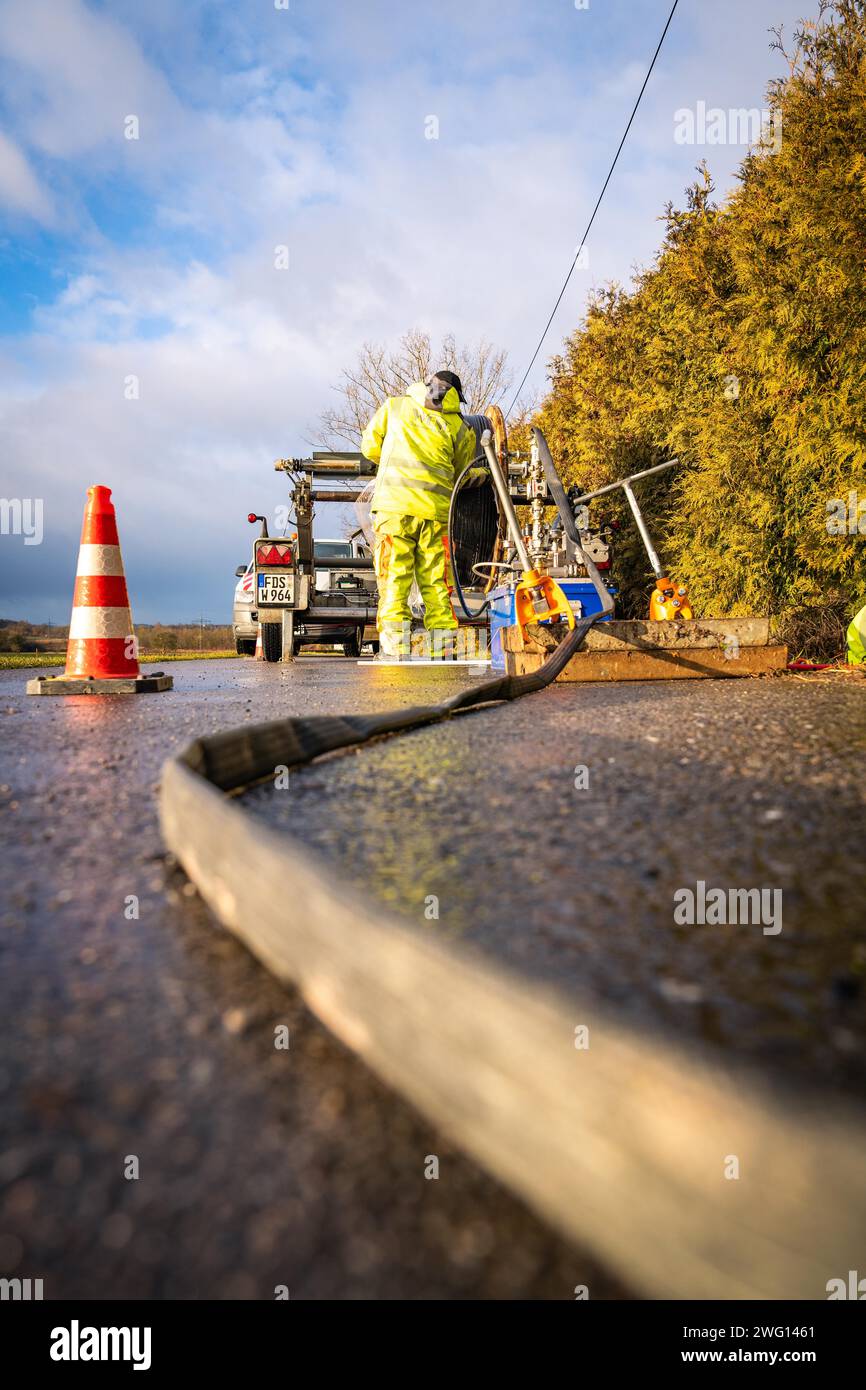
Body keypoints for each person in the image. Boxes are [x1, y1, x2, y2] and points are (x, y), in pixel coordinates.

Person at [361, 370, 479, 659]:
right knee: (436, 583)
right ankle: (444, 648)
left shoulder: (395, 406)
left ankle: (395, 649)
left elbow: (369, 448)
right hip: (435, 516)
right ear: (455, 397)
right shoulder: (460, 428)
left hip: (394, 512)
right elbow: (462, 470)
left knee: (394, 582)